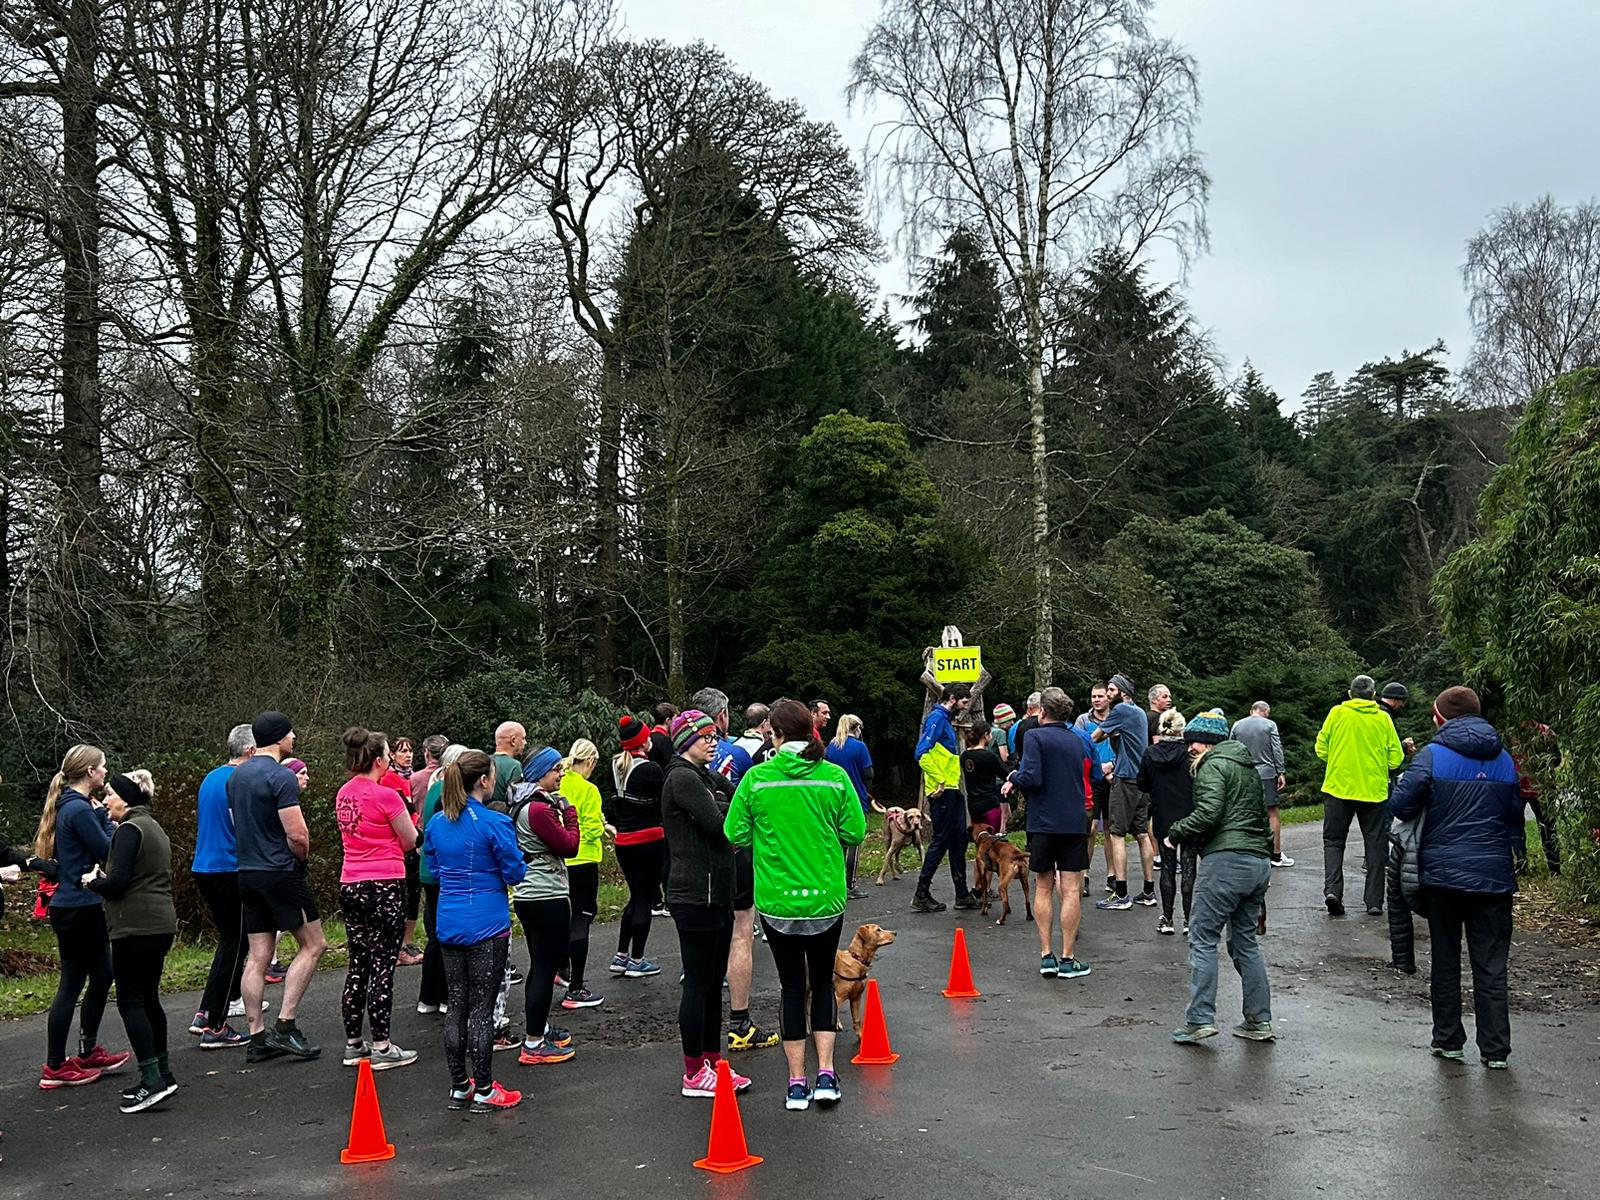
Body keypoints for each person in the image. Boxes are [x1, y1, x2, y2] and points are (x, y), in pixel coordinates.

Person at [726, 698, 866, 1111]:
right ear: (812, 731)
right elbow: (856, 831)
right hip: (824, 897)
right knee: (822, 983)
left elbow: (734, 832)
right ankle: (827, 1073)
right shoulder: (834, 777)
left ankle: (796, 1083)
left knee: (791, 988)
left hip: (777, 901)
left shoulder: (757, 779)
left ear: (775, 733)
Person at [1390, 686, 1521, 1068]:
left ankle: (1448, 1040)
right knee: (1492, 964)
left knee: (1445, 959)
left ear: (1439, 718)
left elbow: (1401, 805)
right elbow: (1515, 816)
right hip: (1494, 878)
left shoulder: (1432, 756)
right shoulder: (1505, 760)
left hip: (1442, 877)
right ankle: (1495, 1050)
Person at [424, 749, 526, 1112]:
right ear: (483, 780)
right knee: (482, 1009)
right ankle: (484, 1087)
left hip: (449, 922)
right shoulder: (494, 823)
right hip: (487, 923)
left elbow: (432, 869)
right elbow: (515, 872)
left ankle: (459, 1086)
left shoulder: (437, 823)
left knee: (457, 1005)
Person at [1167, 710, 1275, 1044]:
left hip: (1225, 862)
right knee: (1244, 941)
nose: (1190, 748)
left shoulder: (1213, 765)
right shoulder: (1247, 768)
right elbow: (1262, 819)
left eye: (1194, 742)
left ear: (1210, 742)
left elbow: (1209, 813)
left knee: (1202, 937)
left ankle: (1200, 1019)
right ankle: (1258, 1021)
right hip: (1256, 863)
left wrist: (1176, 832)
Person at [662, 710, 751, 1098]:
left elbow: (739, 795)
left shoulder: (704, 775)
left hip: (718, 893)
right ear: (685, 742)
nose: (713, 742)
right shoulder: (681, 777)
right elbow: (721, 825)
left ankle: (715, 1063)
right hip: (694, 894)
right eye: (705, 737)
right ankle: (693, 1070)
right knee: (698, 984)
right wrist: (739, 811)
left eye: (715, 736)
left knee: (716, 982)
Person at [230, 710, 327, 1063]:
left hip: (247, 872)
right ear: (279, 737)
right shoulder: (281, 777)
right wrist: (300, 858)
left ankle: (257, 1037)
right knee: (314, 944)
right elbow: (298, 834)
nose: (295, 738)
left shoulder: (236, 777)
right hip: (280, 871)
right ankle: (285, 1027)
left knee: (258, 955)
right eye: (291, 733)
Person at [36, 743, 131, 1088]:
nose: (106, 772)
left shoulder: (72, 806)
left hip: (76, 905)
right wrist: (106, 820)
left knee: (102, 974)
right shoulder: (78, 809)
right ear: (90, 772)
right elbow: (108, 850)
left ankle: (85, 1051)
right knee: (74, 982)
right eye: (103, 767)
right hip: (77, 906)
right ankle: (56, 1065)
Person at [86, 771, 179, 1112]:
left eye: (109, 795)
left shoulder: (128, 831)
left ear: (125, 800)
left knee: (130, 1001)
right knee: (150, 997)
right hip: (161, 923)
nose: (105, 800)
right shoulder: (154, 827)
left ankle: (151, 1079)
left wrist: (93, 881)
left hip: (134, 926)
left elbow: (118, 884)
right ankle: (164, 1072)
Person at [694, 685, 775, 1054]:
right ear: (722, 716)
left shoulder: (678, 755)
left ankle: (700, 1022)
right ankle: (740, 1021)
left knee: (705, 931)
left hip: (691, 858)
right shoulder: (736, 754)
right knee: (742, 930)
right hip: (734, 847)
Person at [334, 727, 419, 1070]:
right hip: (384, 881)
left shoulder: (343, 793)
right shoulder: (386, 796)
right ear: (381, 760)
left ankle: (354, 1042)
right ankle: (383, 1044)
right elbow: (410, 840)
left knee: (359, 962)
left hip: (351, 880)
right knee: (383, 962)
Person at [1002, 687, 1094, 979]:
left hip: (1043, 822)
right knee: (1070, 889)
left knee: (1043, 885)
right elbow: (1089, 773)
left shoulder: (1034, 736)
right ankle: (1068, 959)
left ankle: (1046, 955)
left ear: (1042, 711)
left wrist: (1012, 778)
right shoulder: (1078, 739)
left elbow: (1032, 776)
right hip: (1073, 820)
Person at [509, 745, 580, 1064]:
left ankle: (538, 1029)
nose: (561, 774)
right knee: (544, 967)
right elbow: (569, 846)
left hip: (530, 893)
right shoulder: (538, 809)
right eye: (556, 770)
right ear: (540, 773)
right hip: (545, 894)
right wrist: (571, 815)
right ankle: (534, 1044)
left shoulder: (524, 803)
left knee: (541, 965)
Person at [189, 724, 256, 1049]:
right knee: (237, 942)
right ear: (250, 751)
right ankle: (215, 1024)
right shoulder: (238, 781)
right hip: (229, 868)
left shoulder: (211, 777)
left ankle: (207, 1011)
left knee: (230, 941)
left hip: (205, 865)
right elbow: (239, 824)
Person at [1315, 675, 1404, 916]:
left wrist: (1338, 760)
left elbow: (1320, 748)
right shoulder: (1383, 719)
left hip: (1338, 788)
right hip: (1373, 791)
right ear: (1373, 696)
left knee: (1333, 841)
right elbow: (1396, 758)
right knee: (1375, 845)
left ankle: (1333, 891)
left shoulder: (1336, 714)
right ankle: (1374, 902)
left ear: (1349, 694)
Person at [606, 718, 666, 979]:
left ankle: (621, 955)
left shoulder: (616, 765)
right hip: (649, 839)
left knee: (635, 895)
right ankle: (638, 959)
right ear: (643, 741)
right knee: (646, 897)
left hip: (623, 840)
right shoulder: (651, 769)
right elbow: (665, 799)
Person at [1092, 673, 1156, 910]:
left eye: (1110, 690)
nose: (1107, 695)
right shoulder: (1138, 712)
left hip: (1126, 779)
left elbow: (1095, 737)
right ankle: (1149, 891)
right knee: (1141, 833)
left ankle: (1121, 895)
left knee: (1116, 834)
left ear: (1123, 692)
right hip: (1142, 779)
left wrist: (1080, 747)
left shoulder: (1121, 711)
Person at [912, 683, 978, 914]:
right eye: (964, 701)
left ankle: (962, 894)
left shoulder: (945, 720)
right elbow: (921, 753)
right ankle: (921, 893)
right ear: (952, 698)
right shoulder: (937, 719)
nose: (966, 705)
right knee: (940, 842)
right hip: (942, 791)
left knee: (959, 840)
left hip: (951, 789)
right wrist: (939, 780)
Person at [416, 743, 469, 1014]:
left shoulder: (434, 787)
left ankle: (429, 996)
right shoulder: (448, 791)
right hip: (441, 871)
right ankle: (447, 995)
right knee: (446, 935)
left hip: (429, 868)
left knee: (435, 935)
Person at [558, 739, 606, 1010]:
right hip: (584, 859)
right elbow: (591, 828)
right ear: (589, 762)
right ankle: (576, 986)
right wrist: (600, 826)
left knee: (564, 917)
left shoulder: (559, 783)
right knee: (582, 919)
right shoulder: (589, 790)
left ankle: (561, 968)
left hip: (560, 859)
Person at [1141, 709, 1197, 935]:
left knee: (1167, 866)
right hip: (1189, 814)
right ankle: (1188, 919)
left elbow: (1142, 783)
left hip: (1162, 813)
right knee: (1189, 865)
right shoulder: (1190, 754)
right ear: (1181, 729)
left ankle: (1167, 917)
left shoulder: (1150, 753)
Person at [1378, 682, 1420, 969]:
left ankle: (1403, 960)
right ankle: (1383, 860)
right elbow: (1392, 757)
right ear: (1397, 701)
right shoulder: (1386, 717)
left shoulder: (1378, 713)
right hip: (1380, 781)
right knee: (1384, 827)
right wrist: (1405, 749)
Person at [1230, 702, 1293, 868]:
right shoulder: (1270, 725)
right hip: (1266, 773)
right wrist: (1281, 771)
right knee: (1272, 812)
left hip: (1243, 772)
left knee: (1244, 812)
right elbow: (1276, 749)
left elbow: (1231, 747)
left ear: (1251, 710)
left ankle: (1246, 851)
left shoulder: (1237, 725)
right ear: (1265, 711)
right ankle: (1276, 854)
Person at [1074, 685, 1118, 897]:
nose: (1096, 700)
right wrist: (1096, 768)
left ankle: (1112, 875)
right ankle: (1084, 874)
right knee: (1090, 828)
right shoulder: (1083, 720)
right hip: (1093, 776)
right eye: (1093, 696)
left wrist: (1113, 766)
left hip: (1112, 776)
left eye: (1100, 696)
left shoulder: (1117, 717)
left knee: (1111, 828)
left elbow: (1126, 745)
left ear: (1108, 699)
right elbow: (1078, 746)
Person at [826, 714, 875, 900]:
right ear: (857, 728)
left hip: (834, 798)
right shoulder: (860, 747)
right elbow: (868, 773)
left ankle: (835, 881)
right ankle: (850, 884)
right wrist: (866, 790)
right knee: (854, 842)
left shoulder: (832, 746)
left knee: (837, 844)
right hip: (855, 798)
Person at [1509, 721, 1561, 877]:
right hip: (1542, 787)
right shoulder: (1546, 732)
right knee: (1548, 828)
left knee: (1517, 827)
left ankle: (1521, 865)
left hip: (1517, 785)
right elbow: (1556, 759)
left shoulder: (1511, 734)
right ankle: (1554, 867)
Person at [962, 720, 1007, 837]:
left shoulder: (965, 756)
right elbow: (1003, 773)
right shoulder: (988, 756)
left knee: (980, 837)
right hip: (989, 803)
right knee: (993, 839)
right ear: (985, 735)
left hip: (973, 804)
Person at [489, 721, 527, 811]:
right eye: (523, 738)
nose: (525, 742)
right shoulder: (515, 766)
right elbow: (517, 801)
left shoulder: (483, 760)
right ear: (513, 740)